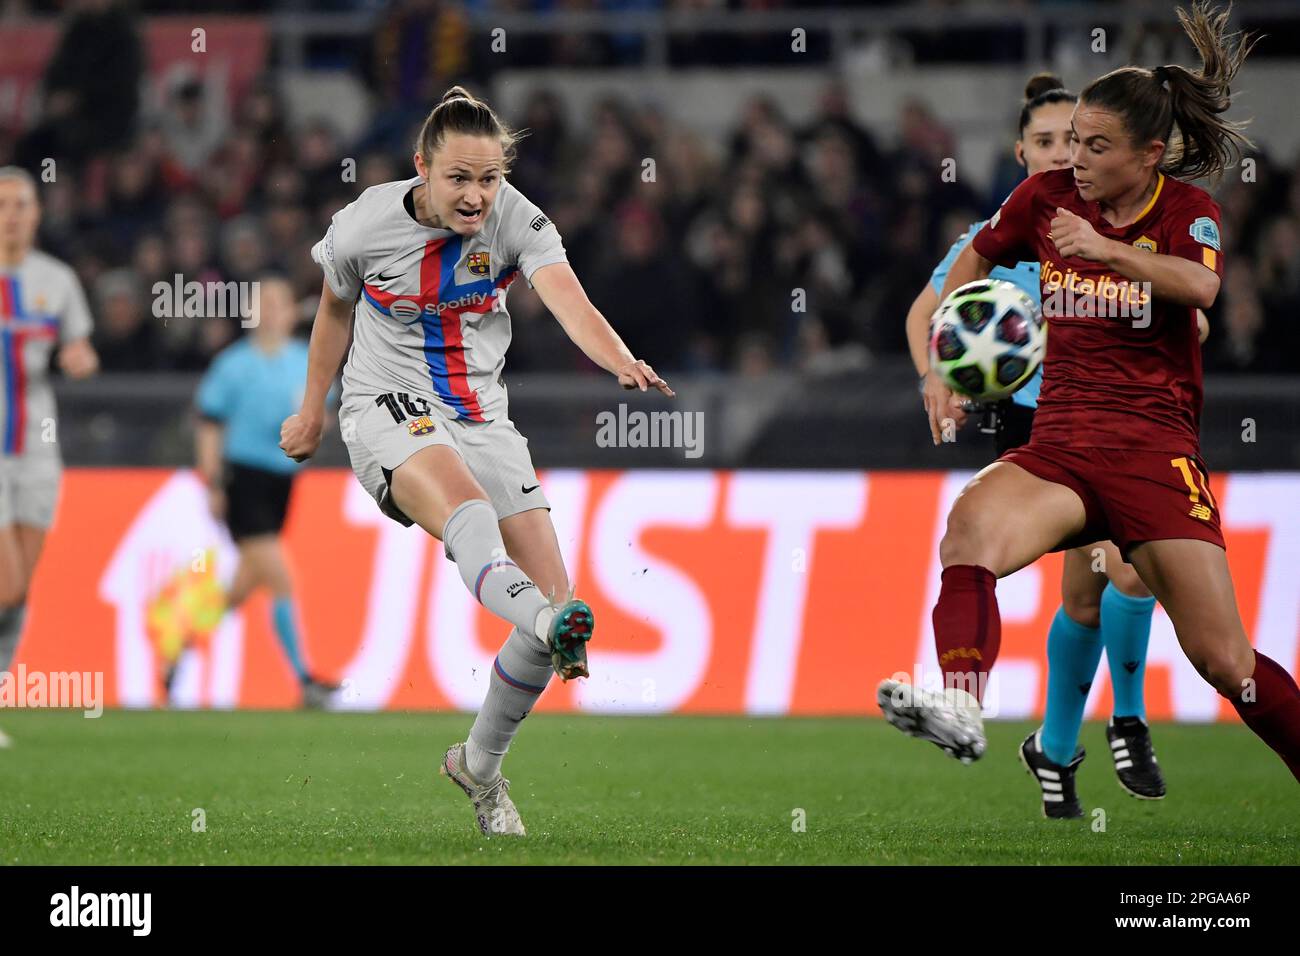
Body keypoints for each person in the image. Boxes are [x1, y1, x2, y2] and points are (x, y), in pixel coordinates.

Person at [880, 3, 1300, 788]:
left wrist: (1108, 251)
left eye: (1096, 146)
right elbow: (971, 259)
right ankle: (964, 705)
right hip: (1062, 448)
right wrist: (940, 359)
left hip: (1154, 455)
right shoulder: (1044, 199)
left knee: (1225, 660)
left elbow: (1201, 285)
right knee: (967, 529)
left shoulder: (1185, 210)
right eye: (1073, 140)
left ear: (1148, 155)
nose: (1077, 158)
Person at [280, 86, 673, 835]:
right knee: (472, 519)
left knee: (554, 610)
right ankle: (546, 616)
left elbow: (567, 298)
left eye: (489, 179)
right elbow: (333, 309)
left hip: (483, 418)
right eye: (459, 178)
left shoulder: (518, 221)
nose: (476, 195)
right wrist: (312, 409)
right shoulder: (364, 224)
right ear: (422, 167)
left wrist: (619, 359)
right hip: (387, 405)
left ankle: (480, 766)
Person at [904, 75, 1209, 817]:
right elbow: (928, 312)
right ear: (1021, 151)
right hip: (1037, 433)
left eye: (1073, 142)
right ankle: (1053, 729)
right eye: (1047, 143)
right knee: (1089, 587)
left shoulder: (1117, 220)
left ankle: (1105, 724)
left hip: (1121, 429)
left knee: (1114, 582)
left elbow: (1185, 305)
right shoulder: (1014, 227)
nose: (1061, 156)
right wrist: (938, 375)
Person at [154, 275, 339, 707]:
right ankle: (305, 681)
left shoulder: (306, 360)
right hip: (243, 479)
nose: (273, 311)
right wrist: (214, 481)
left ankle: (177, 645)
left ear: (293, 311)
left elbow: (321, 416)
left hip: (282, 483)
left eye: (280, 302)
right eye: (265, 303)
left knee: (240, 589)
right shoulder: (232, 364)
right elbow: (210, 425)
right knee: (281, 578)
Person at [0, 167, 100, 748]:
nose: (14, 214)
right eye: (4, 205)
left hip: (37, 450)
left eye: (22, 204)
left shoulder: (56, 280)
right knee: (5, 578)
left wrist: (79, 358)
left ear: (36, 214)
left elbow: (78, 345)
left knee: (18, 588)